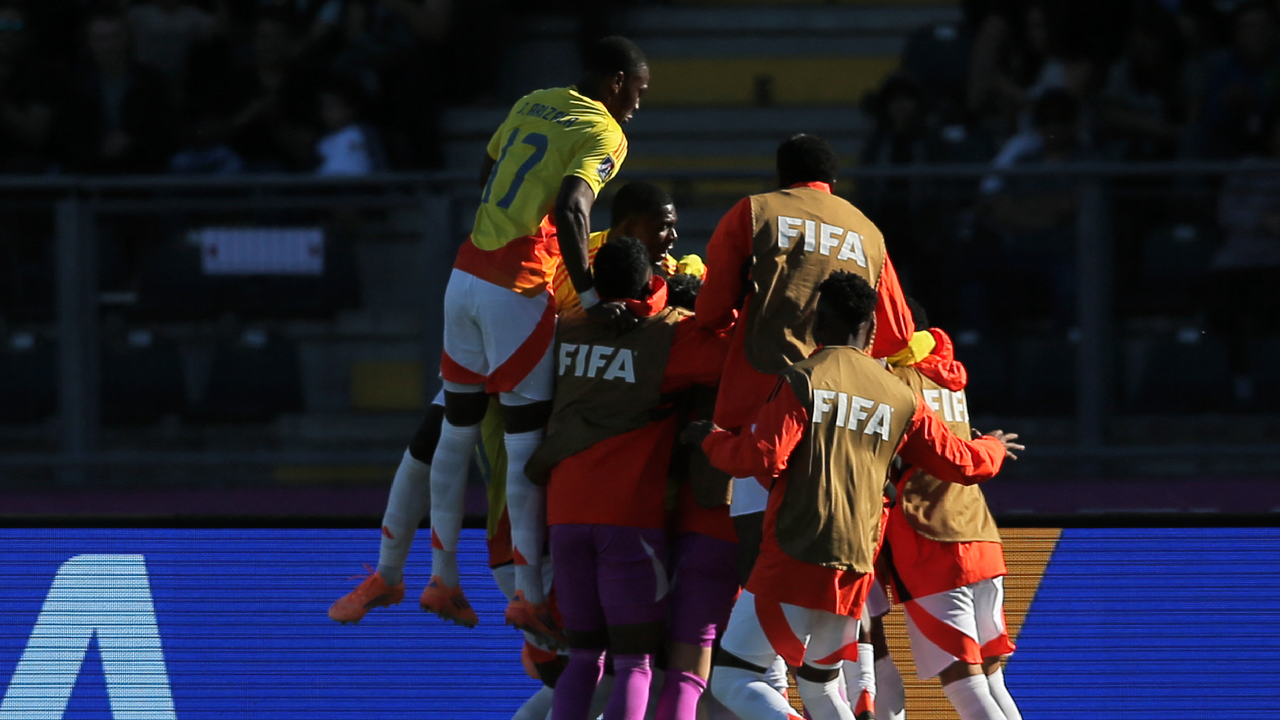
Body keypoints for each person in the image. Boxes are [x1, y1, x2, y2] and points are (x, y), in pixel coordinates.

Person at [327, 177, 681, 629]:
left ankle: (402, 575)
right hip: (524, 373)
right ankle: (408, 576)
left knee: (439, 448)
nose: (671, 239)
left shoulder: (676, 265)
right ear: (630, 227)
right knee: (431, 448)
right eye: (663, 227)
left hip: (539, 392)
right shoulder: (581, 257)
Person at [685, 270, 1022, 720]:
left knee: (733, 678)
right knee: (821, 689)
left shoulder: (802, 380)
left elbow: (761, 459)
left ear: (819, 323)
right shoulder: (899, 395)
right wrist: (994, 446)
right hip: (857, 564)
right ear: (874, 327)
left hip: (796, 553)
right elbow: (962, 463)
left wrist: (710, 440)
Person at [424, 35, 647, 647]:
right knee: (529, 435)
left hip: (466, 271)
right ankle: (527, 592)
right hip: (515, 286)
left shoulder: (536, 100)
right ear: (618, 80)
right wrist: (594, 299)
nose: (637, 104)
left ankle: (442, 575)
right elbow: (576, 208)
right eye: (638, 90)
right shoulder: (606, 132)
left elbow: (487, 170)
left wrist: (508, 220)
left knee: (457, 429)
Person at [695, 133, 914, 626]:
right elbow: (897, 332)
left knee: (758, 545)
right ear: (832, 182)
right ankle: (836, 684)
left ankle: (766, 677)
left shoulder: (756, 211)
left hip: (765, 400)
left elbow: (710, 310)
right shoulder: (868, 232)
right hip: (848, 412)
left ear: (780, 178)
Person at [524, 236, 729, 720]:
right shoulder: (668, 336)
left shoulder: (565, 329)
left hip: (563, 517)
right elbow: (731, 358)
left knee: (583, 657)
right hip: (629, 521)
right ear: (646, 283)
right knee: (634, 664)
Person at [882, 305, 1022, 720]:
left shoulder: (893, 380)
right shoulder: (947, 377)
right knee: (992, 679)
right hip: (981, 537)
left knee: (966, 685)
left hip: (933, 540)